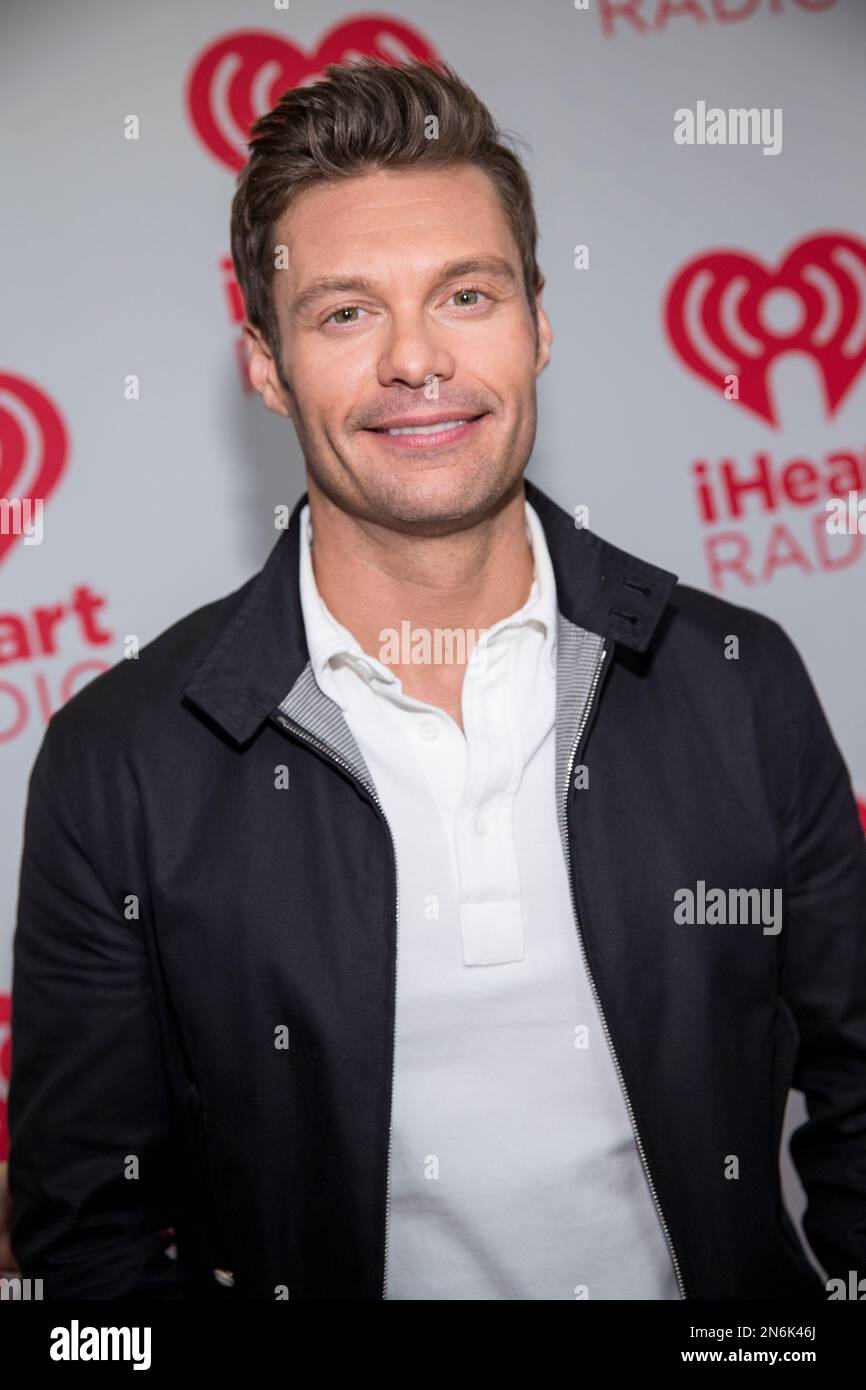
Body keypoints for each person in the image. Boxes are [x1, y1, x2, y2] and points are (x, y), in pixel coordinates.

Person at [8, 59, 866, 1301]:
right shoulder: (121, 758)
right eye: (346, 312)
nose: (416, 360)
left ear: (538, 323)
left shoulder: (734, 679)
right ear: (264, 362)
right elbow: (88, 1237)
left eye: (465, 294)